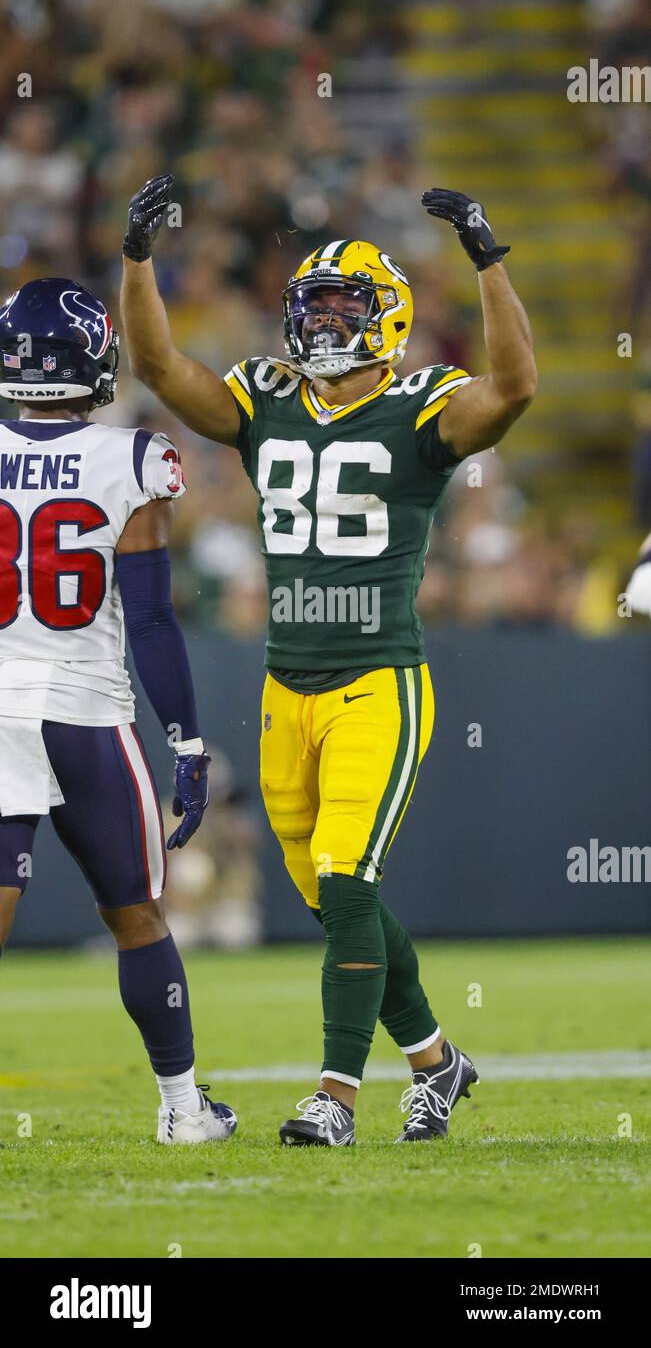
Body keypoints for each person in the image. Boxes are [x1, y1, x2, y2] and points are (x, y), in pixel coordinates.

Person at [120, 177, 537, 1145]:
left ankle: (336, 1096)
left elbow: (513, 389)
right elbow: (155, 361)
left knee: (347, 882)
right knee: (331, 897)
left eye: (347, 307)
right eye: (314, 307)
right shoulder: (266, 398)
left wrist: (488, 259)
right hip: (285, 685)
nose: (326, 324)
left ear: (387, 320)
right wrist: (138, 261)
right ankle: (437, 1062)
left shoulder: (422, 403)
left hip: (376, 682)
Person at [0, 276, 236, 1146]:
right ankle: (181, 1111)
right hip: (86, 715)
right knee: (136, 915)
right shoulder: (132, 457)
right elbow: (149, 616)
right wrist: (188, 737)